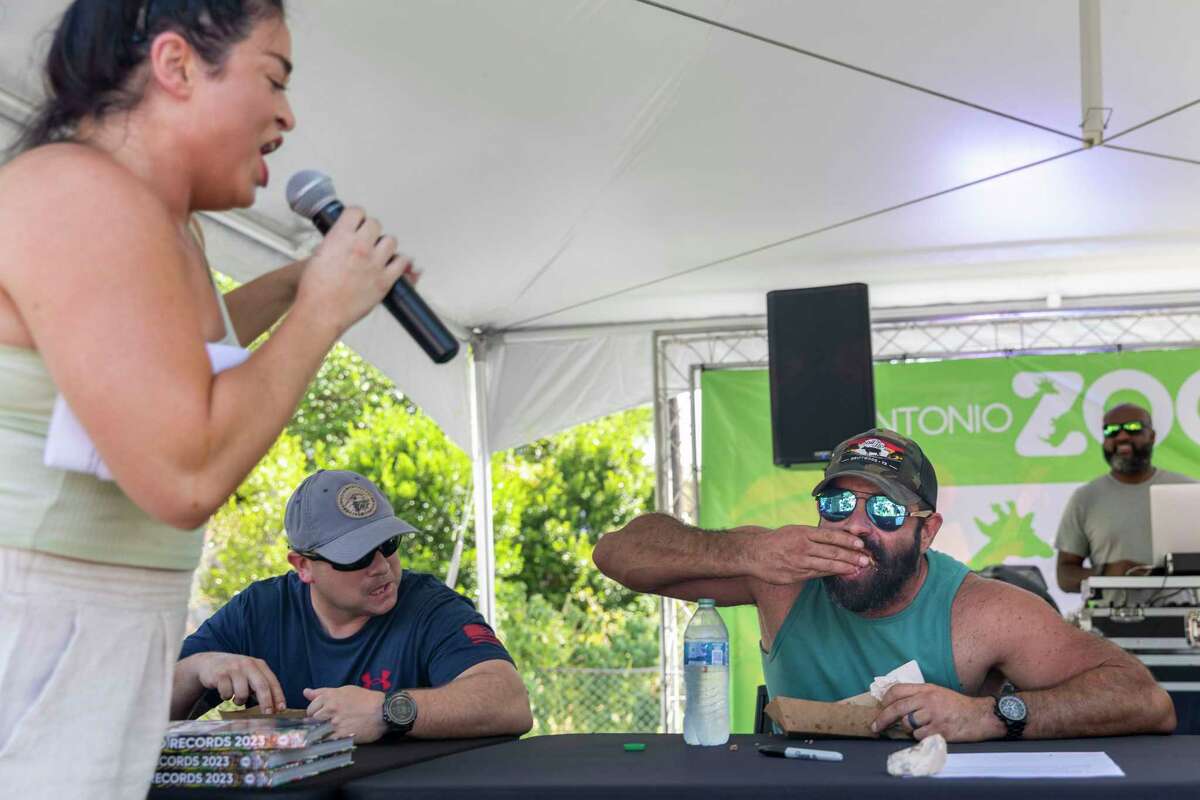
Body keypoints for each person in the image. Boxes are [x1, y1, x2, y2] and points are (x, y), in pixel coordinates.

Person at [0, 2, 417, 795]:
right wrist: (322, 311)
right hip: (36, 624)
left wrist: (301, 281)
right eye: (273, 79)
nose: (288, 115)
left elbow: (173, 357)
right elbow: (183, 476)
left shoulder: (160, 222)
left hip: (100, 627)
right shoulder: (74, 192)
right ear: (177, 65)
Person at [594, 428, 1176, 742]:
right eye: (838, 502)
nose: (856, 526)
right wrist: (747, 549)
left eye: (888, 513)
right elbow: (618, 553)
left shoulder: (983, 610)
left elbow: (1143, 699)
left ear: (928, 533)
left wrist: (992, 716)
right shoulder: (780, 574)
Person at [172, 470, 533, 742]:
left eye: (389, 544)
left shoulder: (430, 607)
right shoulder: (260, 610)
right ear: (303, 566)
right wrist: (198, 668)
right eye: (356, 556)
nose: (381, 566)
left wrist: (387, 711)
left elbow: (510, 701)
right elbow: (139, 714)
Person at [1056, 403, 1196, 593]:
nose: (1122, 436)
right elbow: (1065, 576)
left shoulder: (1190, 490)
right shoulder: (1085, 498)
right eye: (1111, 430)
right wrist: (1107, 573)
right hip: (1109, 618)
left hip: (1188, 617)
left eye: (1133, 428)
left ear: (1152, 436)